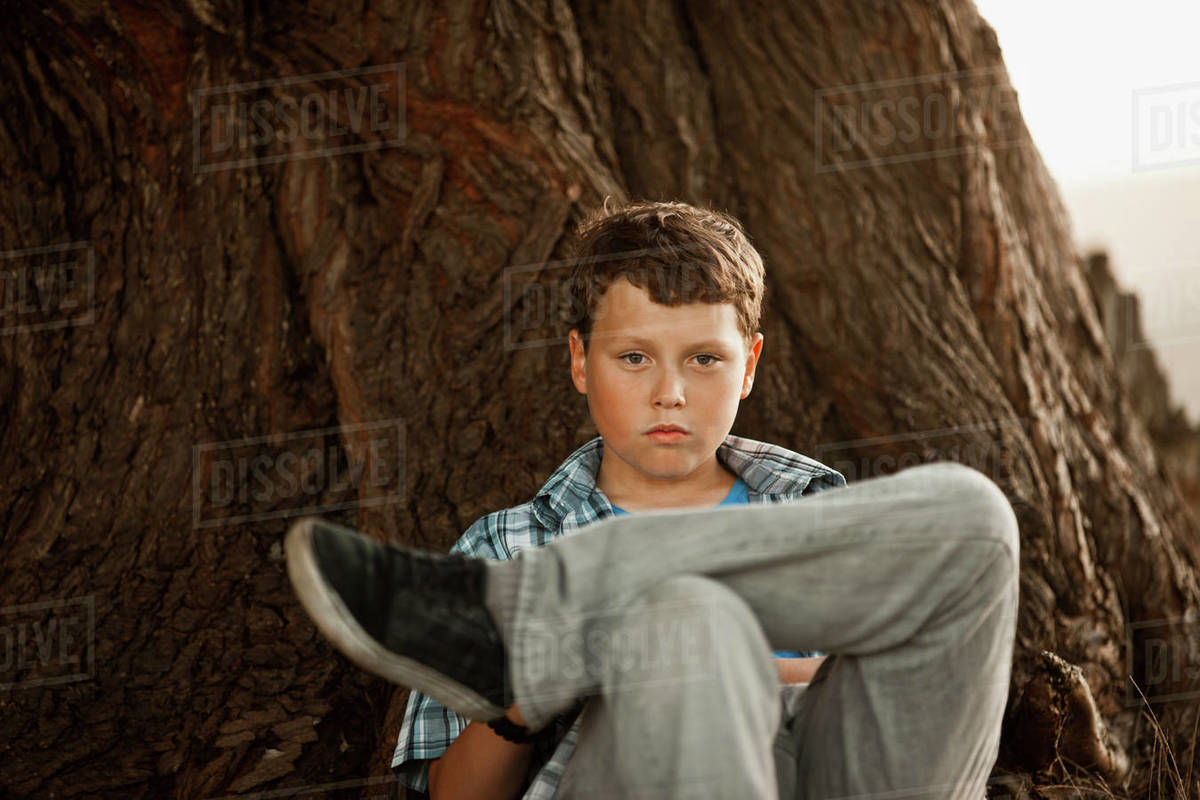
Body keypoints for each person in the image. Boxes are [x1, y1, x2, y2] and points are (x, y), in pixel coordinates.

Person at [284, 199, 1020, 799]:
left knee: (976, 520)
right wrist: (539, 701)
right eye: (634, 357)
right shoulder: (508, 545)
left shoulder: (810, 509)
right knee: (687, 620)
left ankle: (565, 615)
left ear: (750, 365)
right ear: (579, 361)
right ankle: (581, 622)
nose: (670, 392)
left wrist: (605, 654)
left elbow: (898, 690)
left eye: (704, 359)